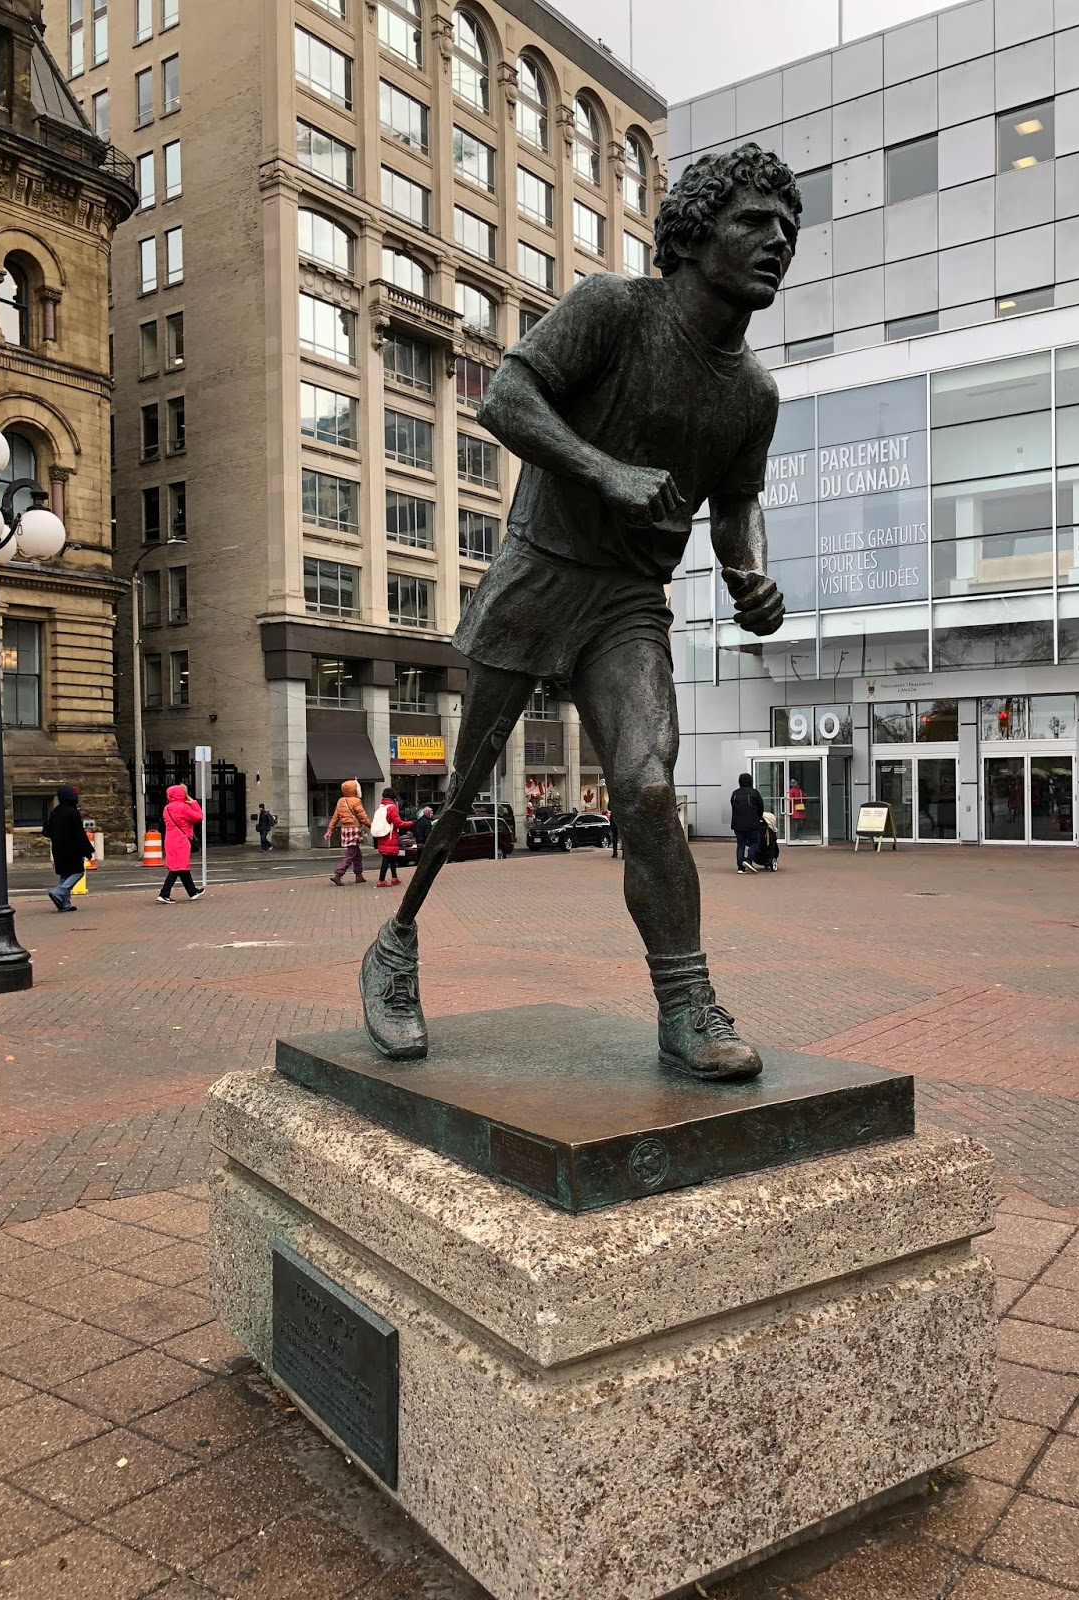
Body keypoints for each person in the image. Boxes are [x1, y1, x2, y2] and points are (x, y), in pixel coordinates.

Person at [359, 142, 795, 1083]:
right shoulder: (612, 308)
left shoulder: (753, 396)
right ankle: (395, 949)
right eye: (754, 222)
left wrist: (746, 573)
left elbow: (736, 508)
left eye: (787, 226)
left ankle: (685, 1005)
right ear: (692, 237)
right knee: (467, 786)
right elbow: (506, 397)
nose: (778, 240)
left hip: (628, 602)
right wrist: (604, 471)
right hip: (541, 569)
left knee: (643, 788)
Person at [42, 784, 95, 912]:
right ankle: (59, 892)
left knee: (65, 875)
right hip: (71, 849)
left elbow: (48, 831)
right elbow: (79, 834)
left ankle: (64, 903)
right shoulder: (72, 813)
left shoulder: (56, 811)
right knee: (78, 872)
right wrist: (87, 850)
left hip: (57, 848)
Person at [157, 783, 205, 903]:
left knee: (182, 866)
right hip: (181, 840)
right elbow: (199, 817)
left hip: (170, 839)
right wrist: (193, 803)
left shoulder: (167, 808)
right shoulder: (183, 807)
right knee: (177, 867)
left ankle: (192, 891)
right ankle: (164, 893)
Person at [325, 779, 369, 885]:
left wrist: (329, 830)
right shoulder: (356, 801)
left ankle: (359, 875)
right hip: (354, 829)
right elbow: (362, 817)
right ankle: (338, 873)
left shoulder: (341, 801)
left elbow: (335, 817)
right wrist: (371, 825)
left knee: (356, 853)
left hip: (345, 830)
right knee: (351, 854)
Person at [372, 787, 411, 886]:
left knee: (392, 858)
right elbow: (398, 823)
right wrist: (410, 823)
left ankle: (394, 877)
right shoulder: (392, 808)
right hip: (390, 836)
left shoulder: (380, 807)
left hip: (382, 836)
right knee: (387, 858)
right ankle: (381, 880)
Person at [730, 772, 765, 874]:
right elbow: (760, 807)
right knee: (756, 842)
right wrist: (758, 818)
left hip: (737, 824)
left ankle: (740, 868)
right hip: (752, 824)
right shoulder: (754, 793)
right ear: (751, 781)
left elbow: (732, 805)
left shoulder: (735, 793)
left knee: (740, 844)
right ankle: (749, 859)